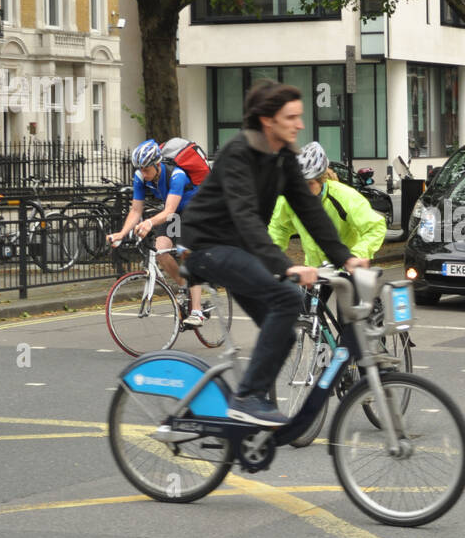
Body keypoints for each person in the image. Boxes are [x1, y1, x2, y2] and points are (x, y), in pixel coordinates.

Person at [179, 81, 369, 426]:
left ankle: (251, 417)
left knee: (284, 320)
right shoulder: (239, 153)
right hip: (208, 248)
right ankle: (249, 397)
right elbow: (245, 217)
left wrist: (346, 258)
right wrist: (286, 265)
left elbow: (310, 211)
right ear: (268, 121)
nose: (299, 125)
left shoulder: (284, 158)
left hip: (239, 251)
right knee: (286, 297)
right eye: (291, 117)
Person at [108, 139, 205, 327]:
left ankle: (197, 311)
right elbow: (136, 210)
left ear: (157, 164)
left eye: (146, 169)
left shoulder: (177, 176)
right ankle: (185, 286)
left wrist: (149, 222)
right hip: (175, 212)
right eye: (140, 169)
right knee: (161, 250)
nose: (143, 174)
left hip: (194, 208)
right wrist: (121, 233)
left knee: (185, 251)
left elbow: (169, 211)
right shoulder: (140, 177)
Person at [269, 142, 386, 268]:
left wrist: (356, 256)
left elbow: (375, 227)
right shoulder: (289, 200)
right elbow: (279, 229)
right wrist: (270, 261)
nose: (304, 191)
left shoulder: (344, 196)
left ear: (322, 180)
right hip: (315, 273)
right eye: (300, 184)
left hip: (346, 269)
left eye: (309, 184)